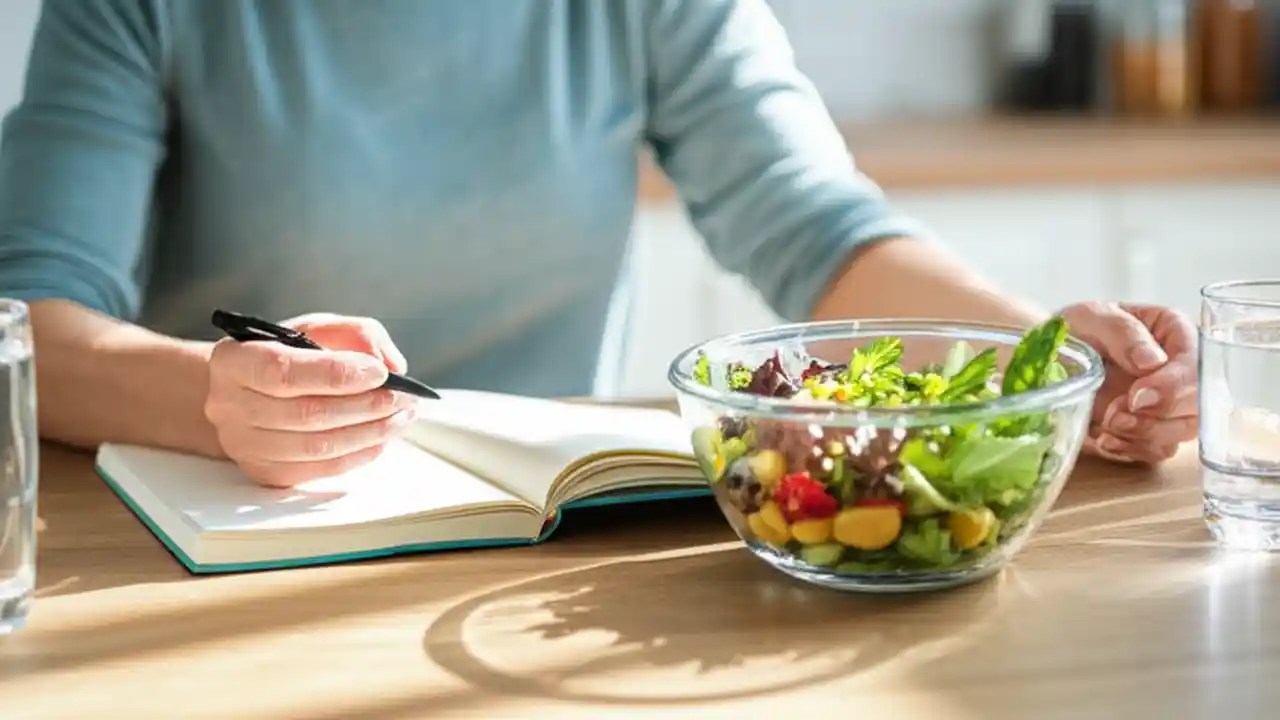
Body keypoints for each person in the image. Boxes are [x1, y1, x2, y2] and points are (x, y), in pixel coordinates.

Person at [0, 0, 1196, 488]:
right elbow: (33, 321)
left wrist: (1034, 356)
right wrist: (215, 398)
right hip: (223, 516)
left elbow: (822, 229)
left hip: (534, 523)